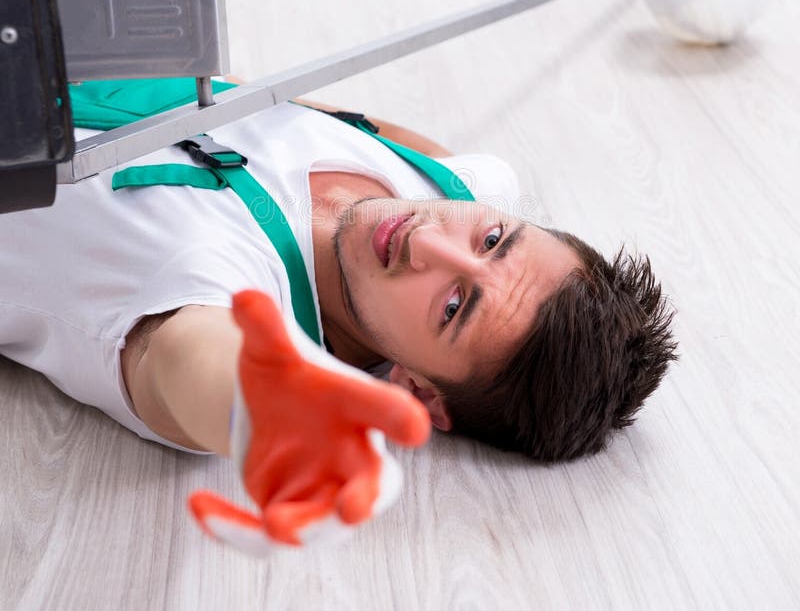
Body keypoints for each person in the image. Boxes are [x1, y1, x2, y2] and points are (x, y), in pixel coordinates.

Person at [0, 86, 677, 544]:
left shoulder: (225, 292)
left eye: (451, 305)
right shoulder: (458, 182)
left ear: (418, 391)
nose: (426, 241)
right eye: (495, 240)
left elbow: (188, 361)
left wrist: (269, 410)